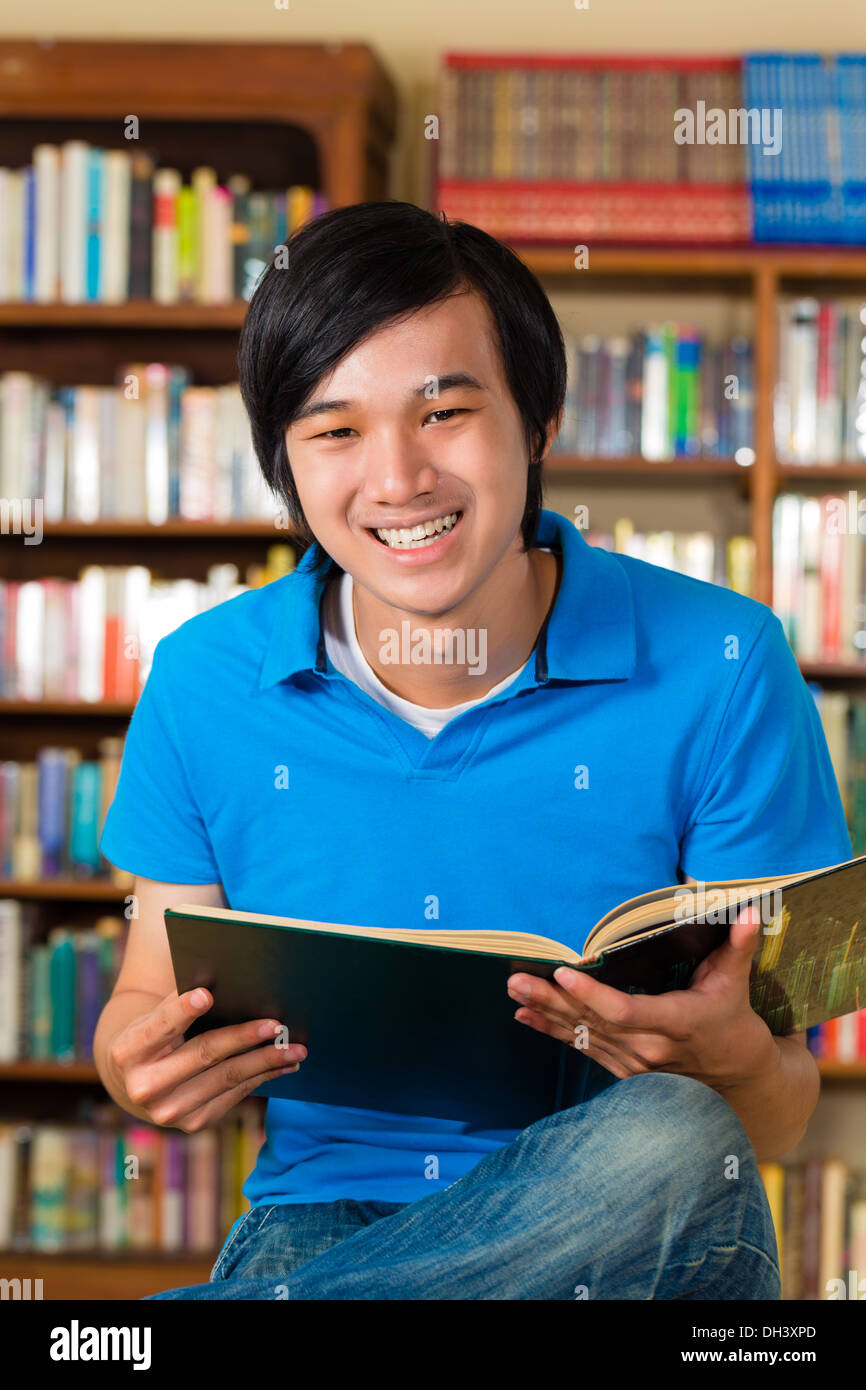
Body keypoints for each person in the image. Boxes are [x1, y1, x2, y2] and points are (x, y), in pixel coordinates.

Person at [94, 201, 851, 1300]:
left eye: (442, 411)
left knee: (676, 1134)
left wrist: (728, 1055)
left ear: (537, 419)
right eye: (334, 429)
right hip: (328, 1233)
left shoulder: (722, 662)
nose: (397, 479)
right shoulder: (206, 677)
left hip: (630, 1222)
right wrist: (137, 1064)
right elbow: (142, 1001)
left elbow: (773, 1116)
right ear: (286, 464)